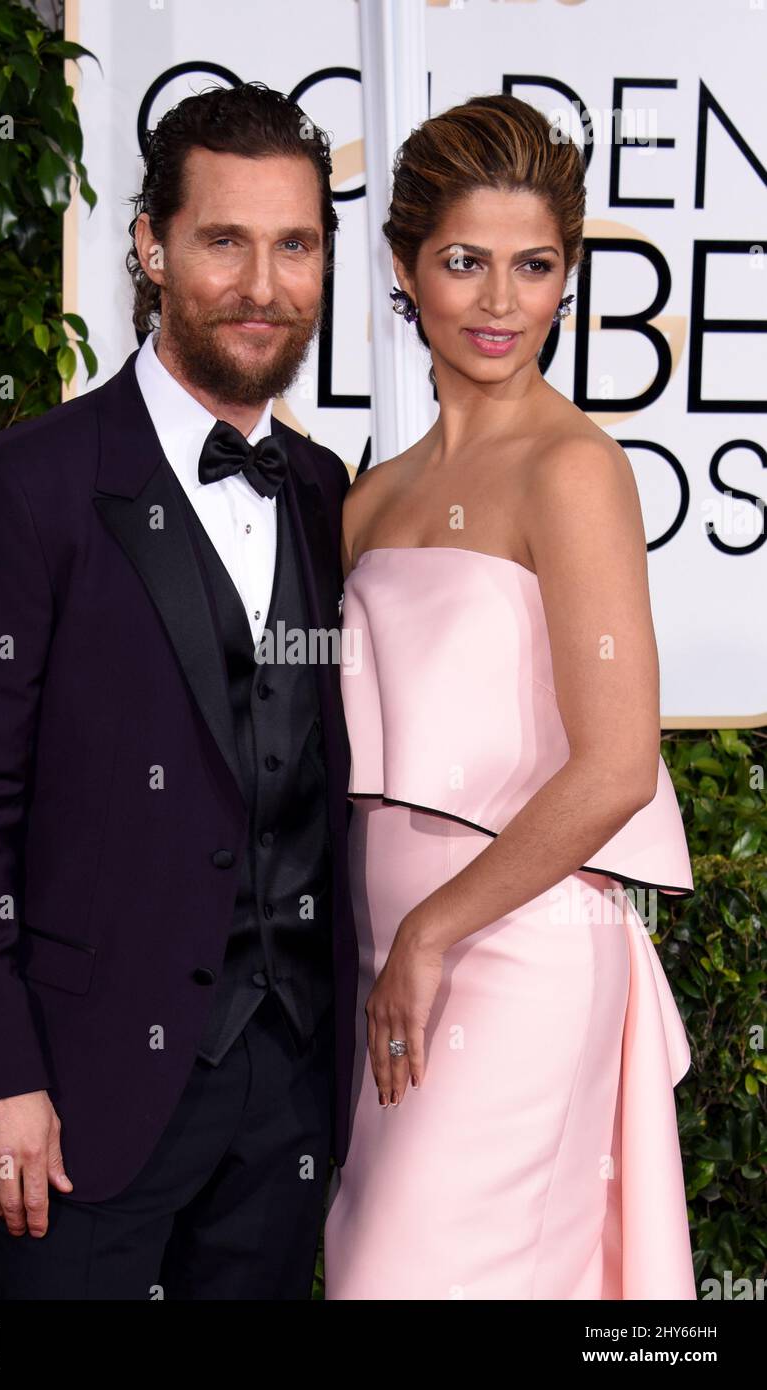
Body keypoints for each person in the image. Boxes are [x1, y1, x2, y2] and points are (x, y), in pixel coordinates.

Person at [0, 81, 359, 1300]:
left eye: (295, 245)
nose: (263, 284)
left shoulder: (323, 491)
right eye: (224, 240)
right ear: (150, 247)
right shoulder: (19, 487)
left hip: (291, 1086)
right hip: (84, 1089)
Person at [323, 93, 697, 1300]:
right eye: (465, 262)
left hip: (515, 952)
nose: (499, 303)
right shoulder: (371, 498)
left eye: (534, 267)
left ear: (567, 275)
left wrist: (434, 930)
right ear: (403, 266)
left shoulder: (574, 468)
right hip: (389, 959)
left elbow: (614, 767)